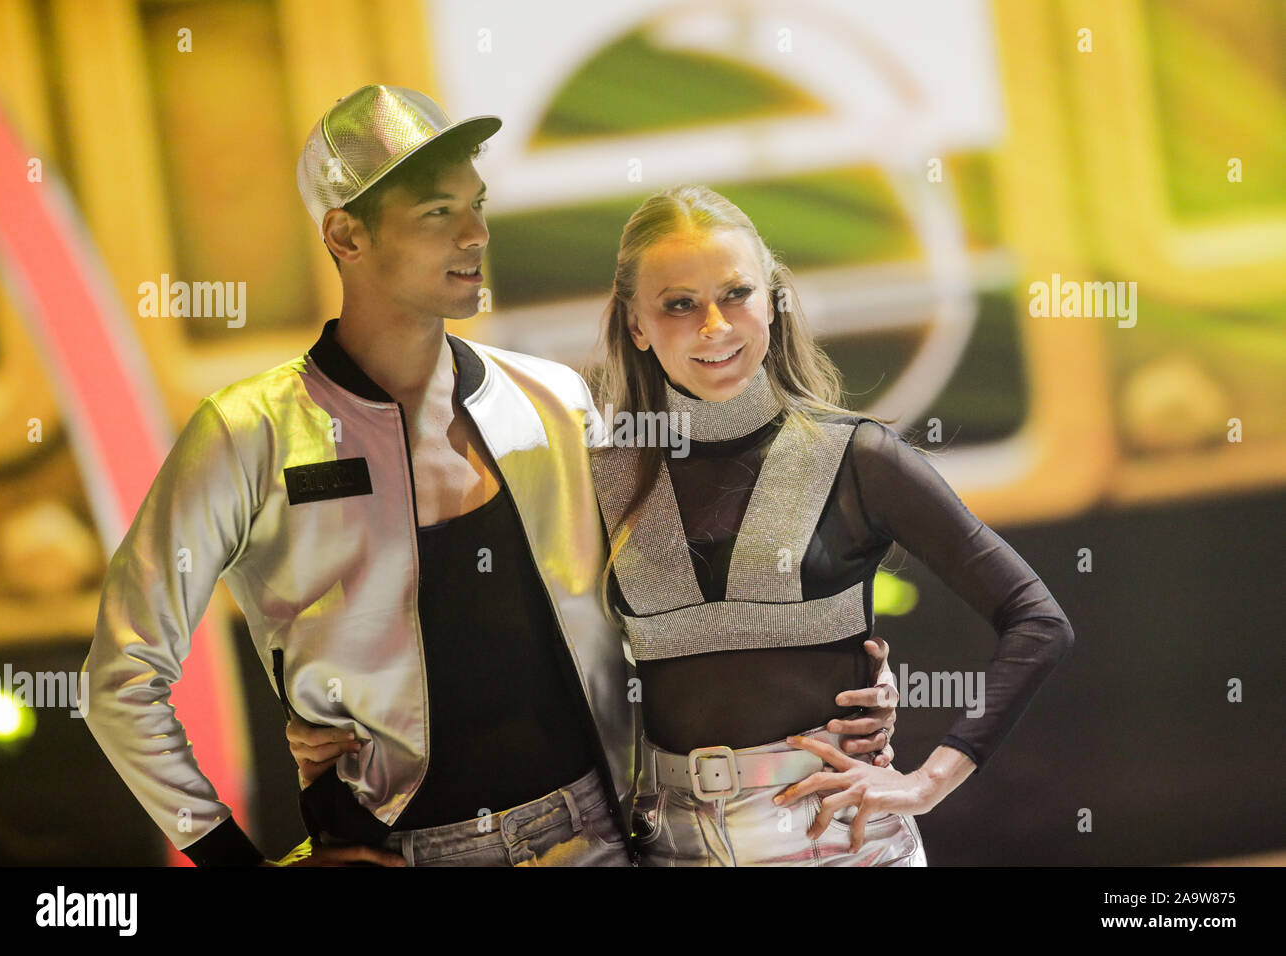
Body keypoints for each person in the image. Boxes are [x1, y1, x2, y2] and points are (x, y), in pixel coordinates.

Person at [82, 85, 896, 867]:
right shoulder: (247, 433)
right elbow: (120, 678)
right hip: (396, 850)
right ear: (346, 236)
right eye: (439, 212)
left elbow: (667, 594)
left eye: (478, 205)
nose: (475, 233)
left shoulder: (553, 397)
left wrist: (836, 677)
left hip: (602, 832)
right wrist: (229, 860)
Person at [585, 184, 1076, 866]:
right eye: (678, 304)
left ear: (773, 301)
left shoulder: (855, 456)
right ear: (635, 323)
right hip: (670, 842)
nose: (715, 327)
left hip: (837, 839)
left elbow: (1038, 620)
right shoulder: (602, 476)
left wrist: (928, 783)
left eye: (736, 294)